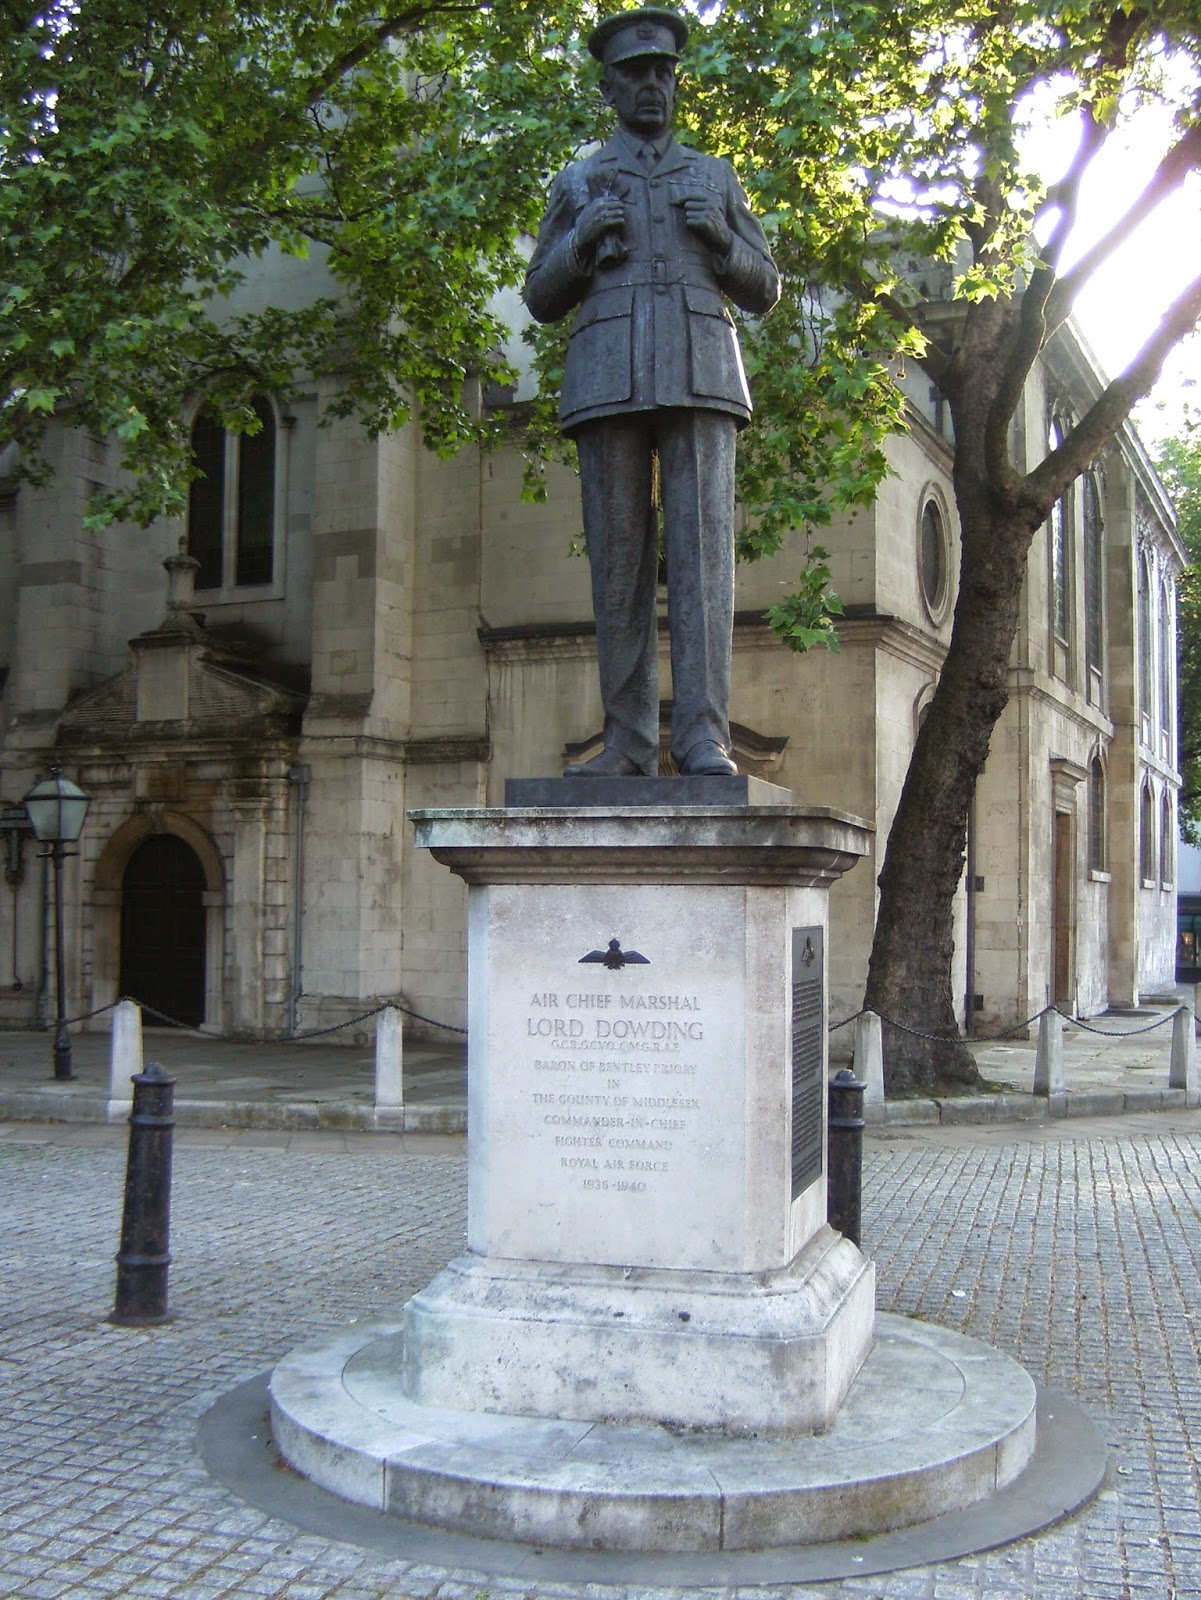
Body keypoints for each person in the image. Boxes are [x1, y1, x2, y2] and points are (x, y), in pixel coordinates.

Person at [524, 7, 780, 778]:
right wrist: (578, 240)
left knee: (704, 561)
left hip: (702, 371)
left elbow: (765, 286)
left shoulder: (713, 176)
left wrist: (723, 239)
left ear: (675, 84)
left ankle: (703, 738)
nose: (650, 87)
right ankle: (628, 743)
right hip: (607, 378)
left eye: (662, 73)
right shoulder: (578, 180)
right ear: (608, 88)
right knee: (618, 567)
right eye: (634, 74)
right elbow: (539, 293)